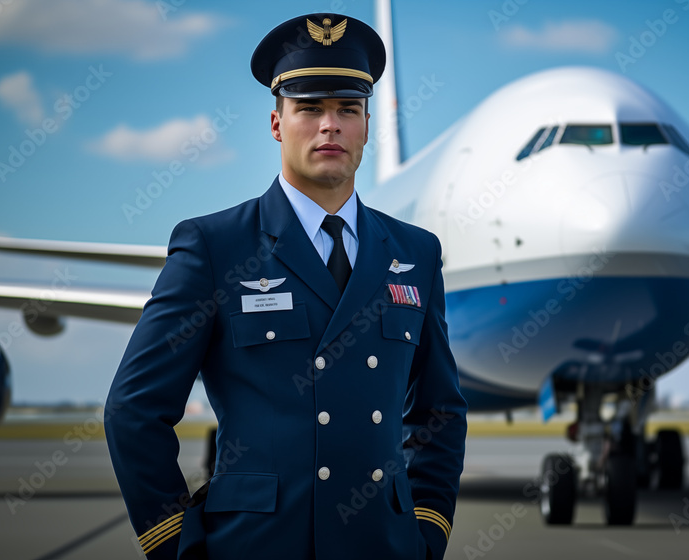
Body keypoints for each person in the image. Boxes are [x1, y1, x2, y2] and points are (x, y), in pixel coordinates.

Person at [104, 12, 467, 560]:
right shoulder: (214, 246)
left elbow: (440, 411)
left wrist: (427, 532)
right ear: (277, 123)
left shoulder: (416, 253)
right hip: (255, 546)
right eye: (309, 108)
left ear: (367, 125)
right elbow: (133, 410)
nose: (330, 125)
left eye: (348, 109)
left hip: (383, 547)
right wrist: (177, 547)